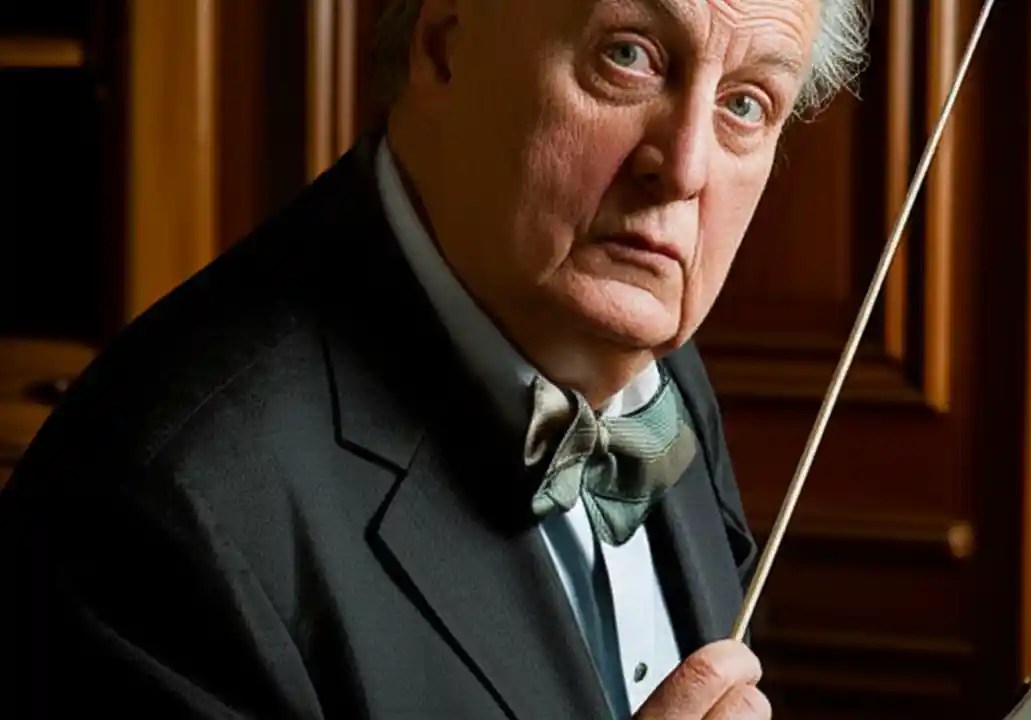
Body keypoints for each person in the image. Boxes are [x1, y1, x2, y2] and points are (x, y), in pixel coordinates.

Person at [0, 0, 867, 717]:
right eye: (631, 56)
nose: (682, 169)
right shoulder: (159, 512)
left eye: (745, 104)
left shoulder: (649, 354)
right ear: (446, 46)